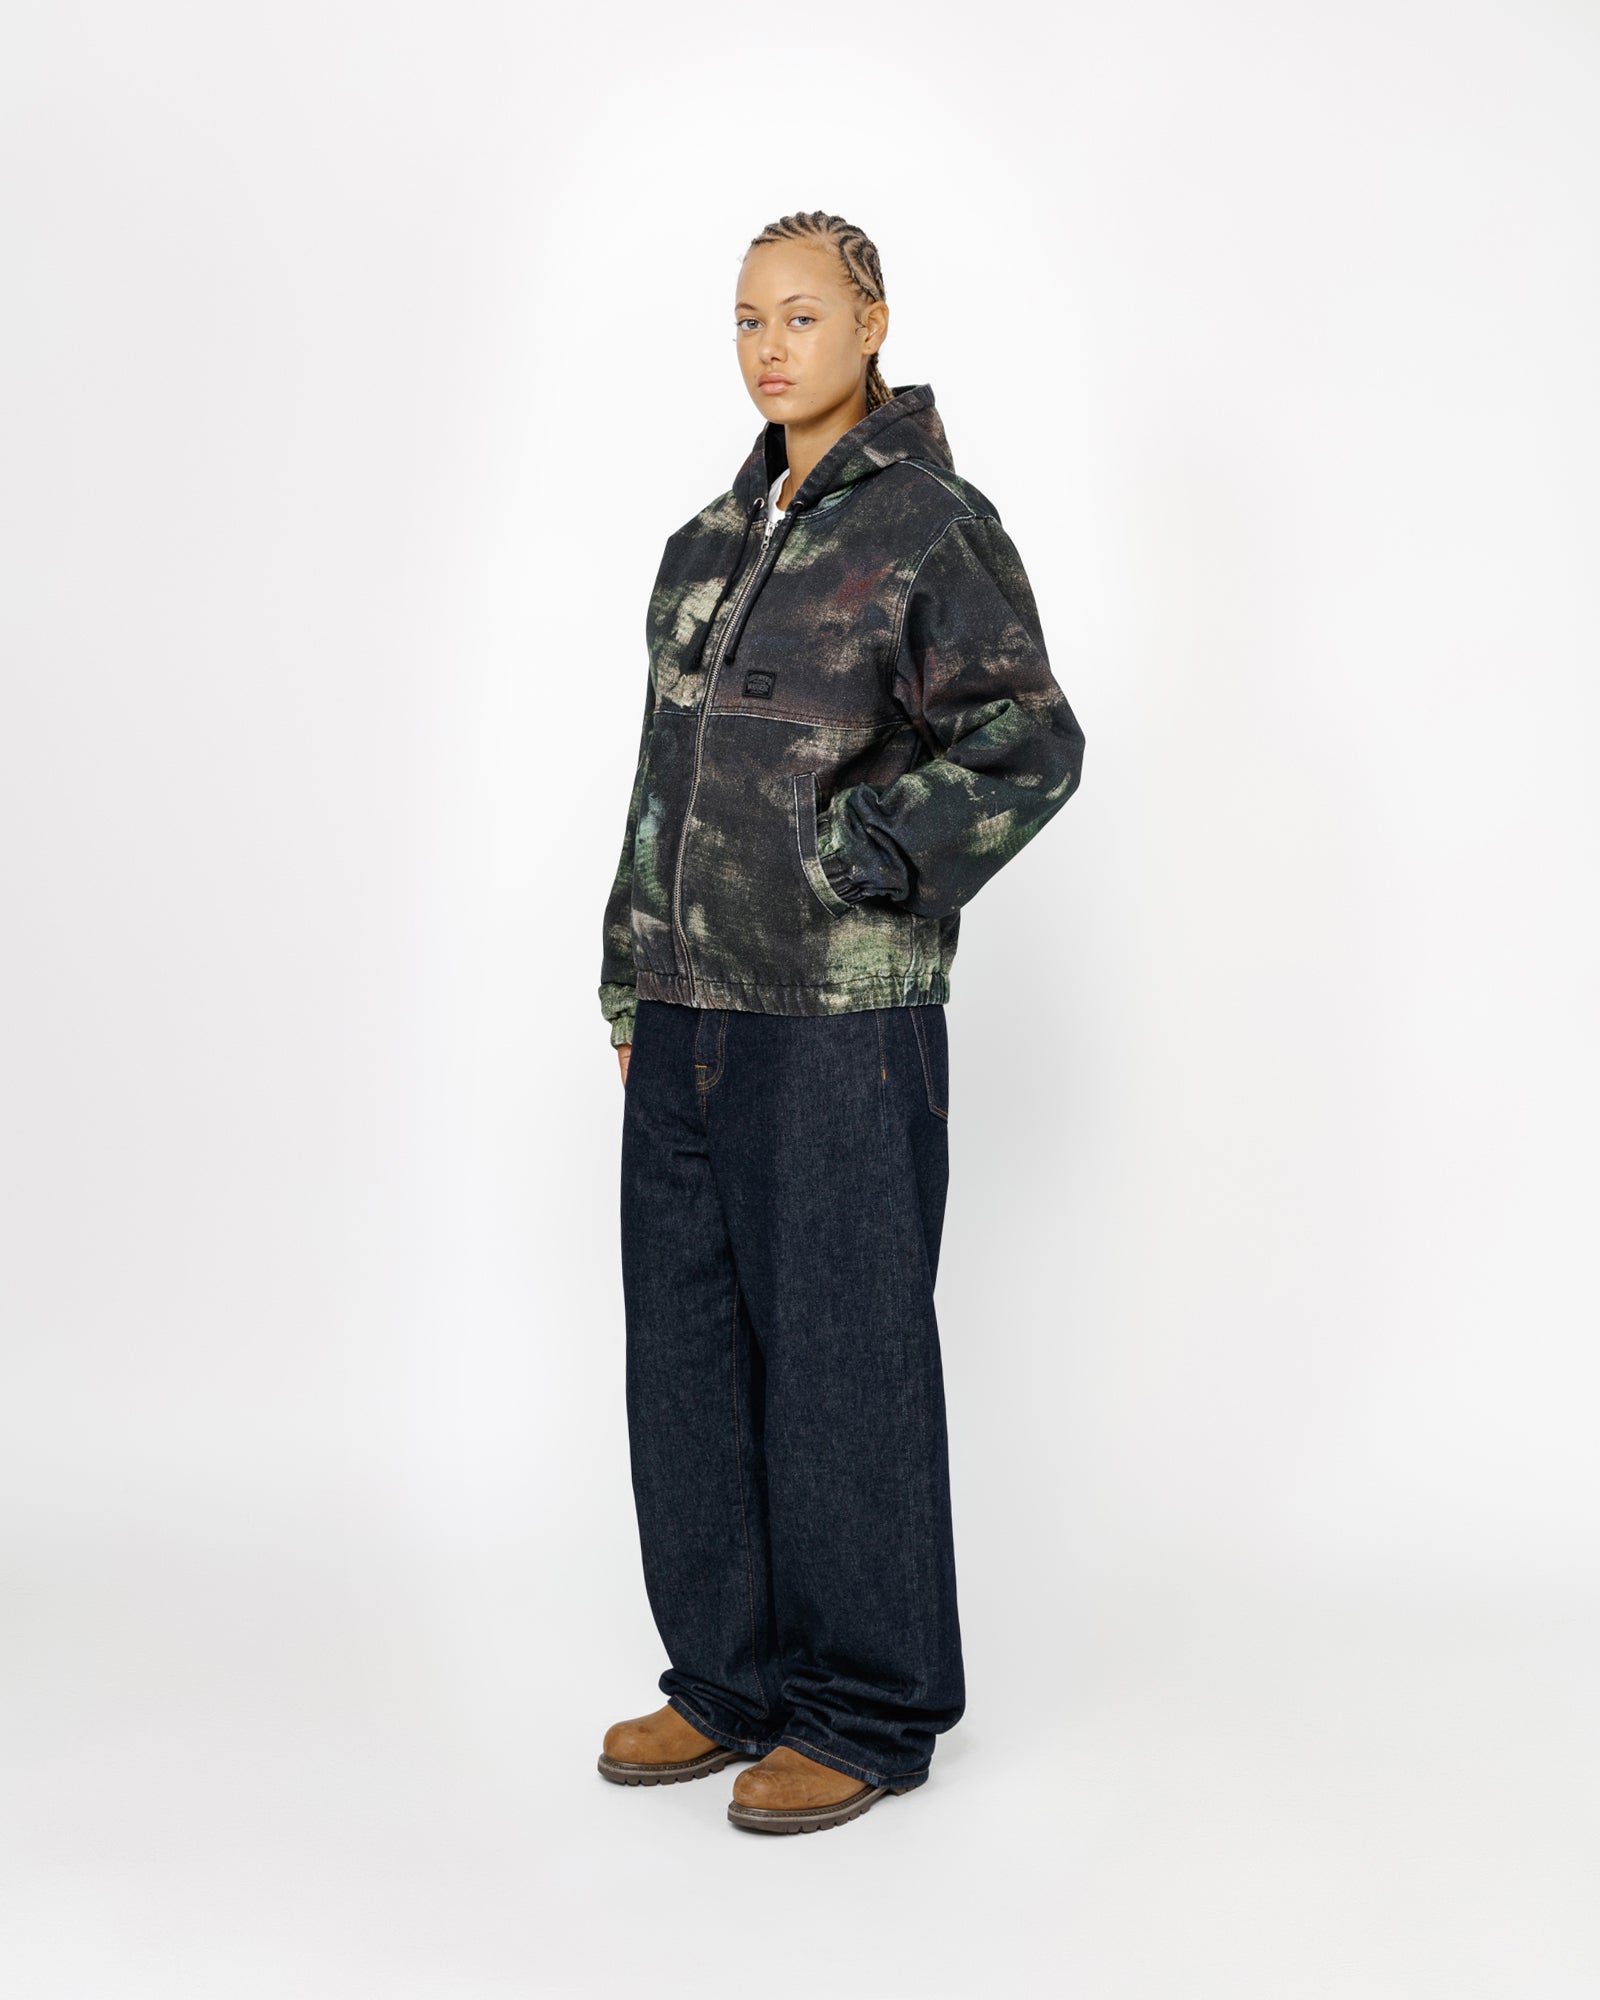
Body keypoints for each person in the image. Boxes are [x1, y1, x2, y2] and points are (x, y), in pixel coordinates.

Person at [595, 209, 1086, 1835]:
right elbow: (662, 779)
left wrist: (851, 858)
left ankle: (866, 1710)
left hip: (836, 1022)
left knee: (841, 1360)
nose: (770, 346)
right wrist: (630, 965)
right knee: (686, 1359)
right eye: (749, 318)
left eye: (803, 315)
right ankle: (727, 1684)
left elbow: (1027, 743)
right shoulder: (706, 542)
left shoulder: (930, 530)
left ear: (872, 324)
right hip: (686, 1009)